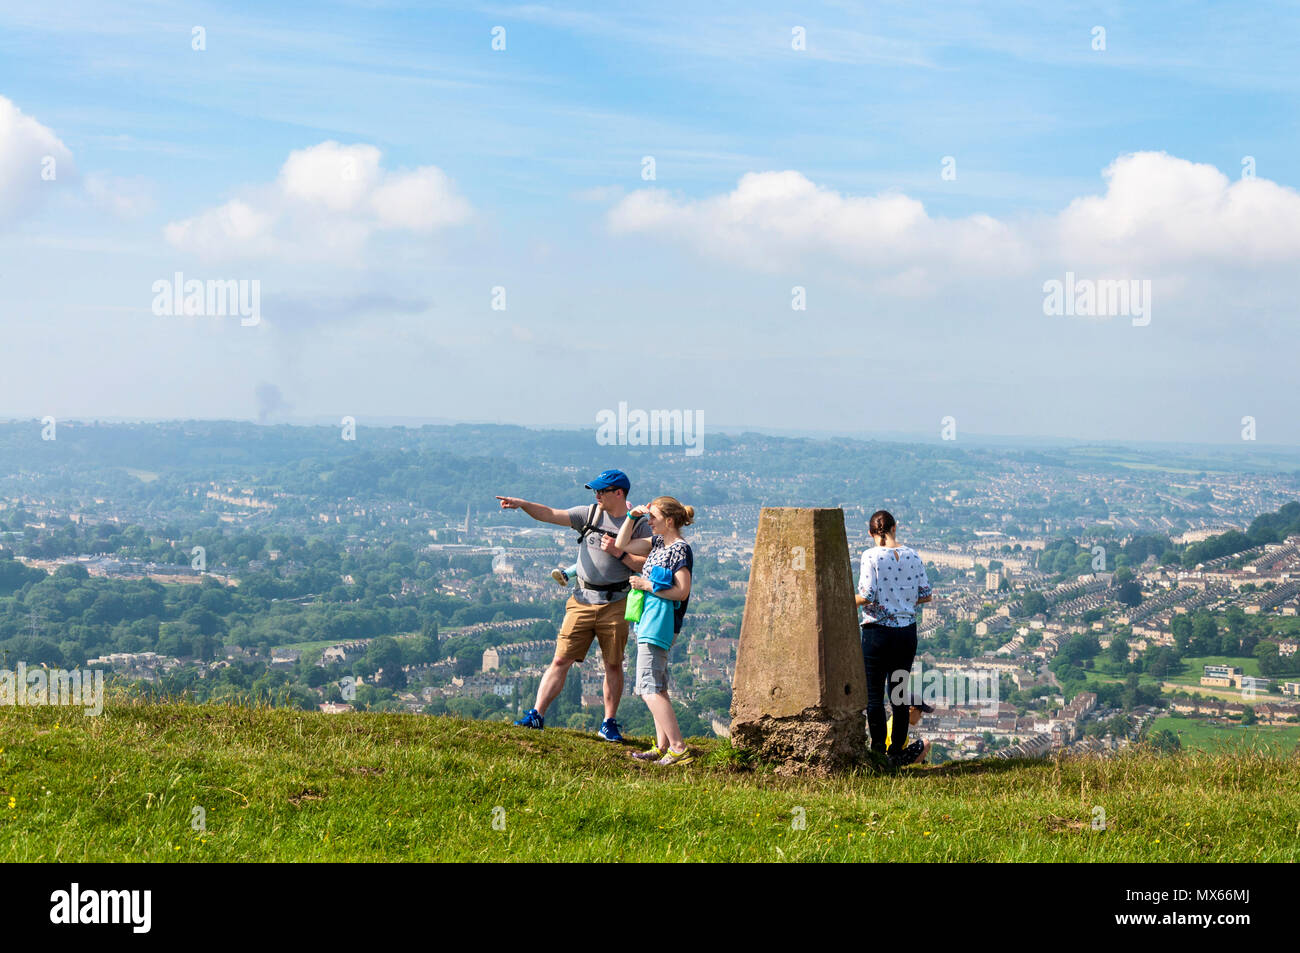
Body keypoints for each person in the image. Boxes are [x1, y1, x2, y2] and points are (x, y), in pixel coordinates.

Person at [496, 469, 650, 741]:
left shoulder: (638, 525)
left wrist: (620, 552)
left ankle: (608, 723)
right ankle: (537, 714)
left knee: (613, 664)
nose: (597, 495)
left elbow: (647, 563)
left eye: (602, 491)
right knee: (560, 658)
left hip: (616, 602)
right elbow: (550, 514)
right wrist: (523, 505)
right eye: (595, 491)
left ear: (619, 493)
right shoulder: (589, 514)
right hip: (581, 599)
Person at [613, 496, 695, 766]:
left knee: (648, 688)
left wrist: (647, 585)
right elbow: (620, 545)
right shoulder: (658, 543)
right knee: (658, 687)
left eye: (654, 518)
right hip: (649, 620)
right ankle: (661, 747)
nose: (649, 522)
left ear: (669, 521)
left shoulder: (680, 550)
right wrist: (631, 518)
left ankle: (678, 748)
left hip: (659, 622)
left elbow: (682, 591)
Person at [857, 509, 932, 765]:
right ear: (894, 528)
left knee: (874, 695)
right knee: (899, 694)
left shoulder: (871, 556)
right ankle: (897, 751)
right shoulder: (913, 555)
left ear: (871, 533)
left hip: (877, 632)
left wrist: (842, 599)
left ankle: (878, 750)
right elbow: (925, 594)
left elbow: (867, 595)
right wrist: (902, 601)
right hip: (906, 633)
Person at [885, 697, 934, 766]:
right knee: (925, 743)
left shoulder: (896, 721)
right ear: (911, 709)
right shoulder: (897, 724)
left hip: (891, 757)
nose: (920, 716)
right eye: (920, 712)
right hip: (891, 758)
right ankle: (911, 766)